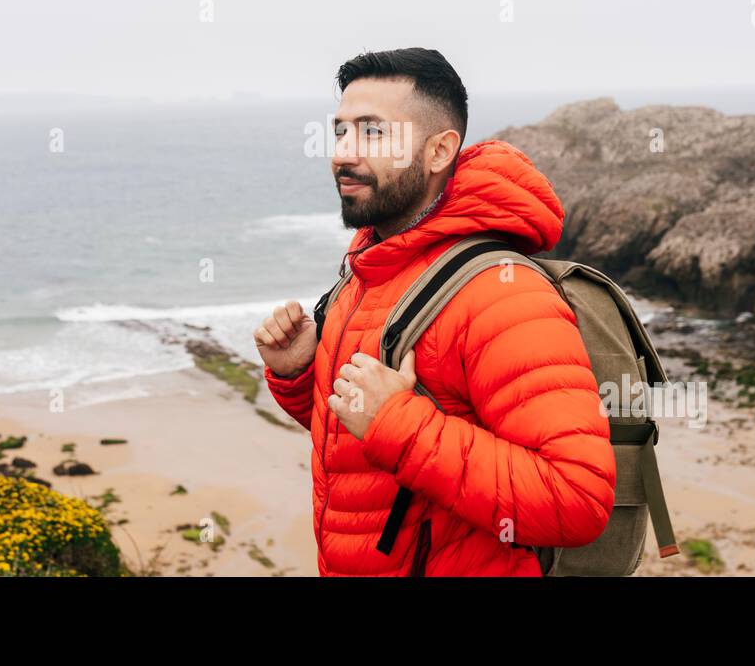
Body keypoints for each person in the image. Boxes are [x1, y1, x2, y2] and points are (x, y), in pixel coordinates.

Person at [254, 47, 615, 575]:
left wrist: (401, 424)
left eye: (373, 132)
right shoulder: (366, 271)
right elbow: (360, 446)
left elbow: (576, 500)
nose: (343, 154)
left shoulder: (502, 293)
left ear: (440, 150)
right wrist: (300, 374)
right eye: (340, 131)